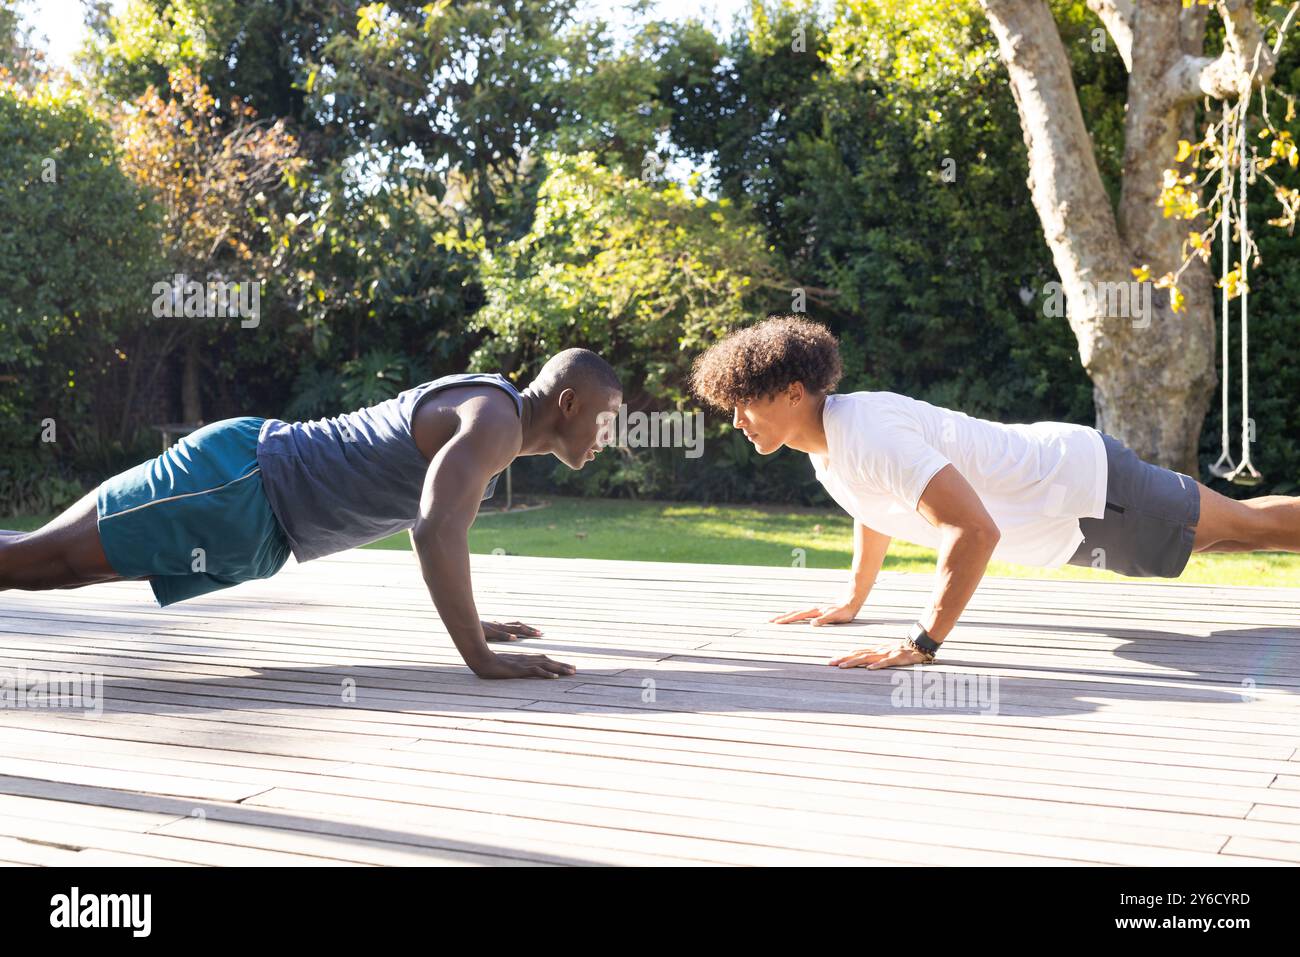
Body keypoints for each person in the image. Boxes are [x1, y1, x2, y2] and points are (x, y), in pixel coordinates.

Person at [690, 316, 1300, 671]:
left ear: (794, 391)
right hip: (1069, 521)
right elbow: (875, 507)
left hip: (1084, 488)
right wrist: (852, 598)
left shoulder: (868, 433)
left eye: (745, 403)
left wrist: (921, 643)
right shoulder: (829, 446)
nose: (738, 420)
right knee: (1220, 541)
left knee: (1250, 526)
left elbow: (973, 531)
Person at [0, 349, 622, 680]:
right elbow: (436, 531)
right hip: (240, 483)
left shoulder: (496, 424)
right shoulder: (495, 419)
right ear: (568, 403)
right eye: (607, 418)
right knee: (46, 559)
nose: (609, 435)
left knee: (53, 564)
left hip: (260, 525)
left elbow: (425, 515)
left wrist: (475, 622)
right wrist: (479, 660)